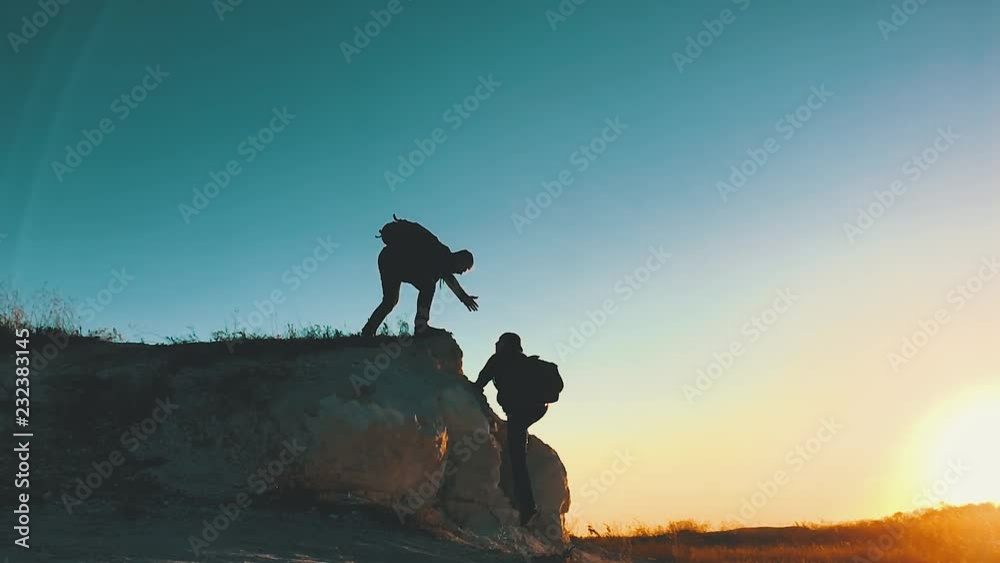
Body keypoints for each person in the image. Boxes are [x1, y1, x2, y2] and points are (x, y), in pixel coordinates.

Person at [473, 332, 553, 527]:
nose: (496, 345)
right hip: (536, 409)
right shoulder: (525, 361)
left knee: (517, 458)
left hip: (519, 412)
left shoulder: (499, 359)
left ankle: (527, 507)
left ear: (506, 345)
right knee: (518, 438)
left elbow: (480, 383)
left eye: (499, 342)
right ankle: (526, 503)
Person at [361, 216, 479, 337]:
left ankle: (368, 331)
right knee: (427, 286)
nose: (461, 273)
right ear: (460, 259)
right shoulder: (442, 254)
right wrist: (464, 298)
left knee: (390, 301)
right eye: (464, 268)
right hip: (393, 259)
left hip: (389, 259)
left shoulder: (444, 260)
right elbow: (450, 279)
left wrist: (464, 298)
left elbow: (449, 279)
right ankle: (421, 327)